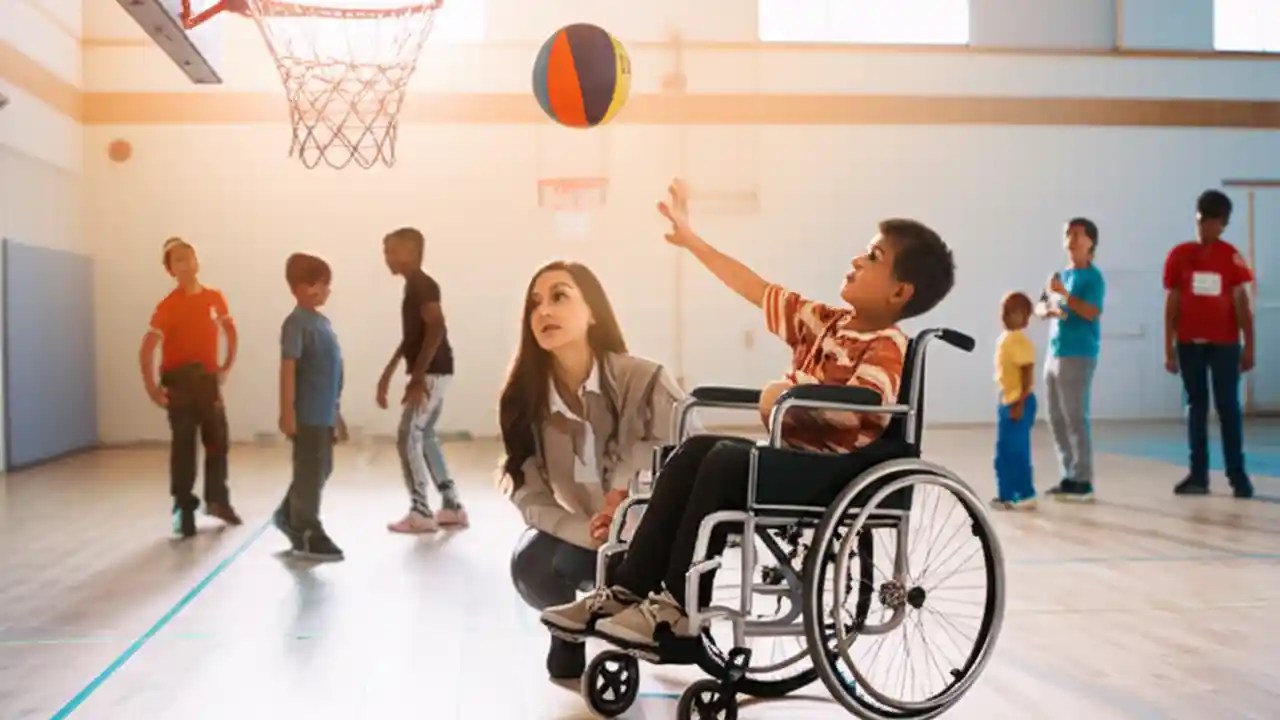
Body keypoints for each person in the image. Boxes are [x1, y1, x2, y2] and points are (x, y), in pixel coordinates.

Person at [540, 178, 955, 650]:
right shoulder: (824, 322)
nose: (858, 259)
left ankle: (676, 609)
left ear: (900, 292)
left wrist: (786, 397)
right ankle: (627, 589)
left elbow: (869, 414)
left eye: (874, 257)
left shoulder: (887, 344)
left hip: (831, 473)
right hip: (789, 459)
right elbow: (755, 288)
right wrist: (691, 239)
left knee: (727, 462)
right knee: (696, 449)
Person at [501, 260, 687, 680]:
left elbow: (689, 457)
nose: (543, 311)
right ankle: (568, 629)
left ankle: (627, 634)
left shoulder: (645, 379)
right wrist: (585, 531)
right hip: (587, 536)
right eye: (535, 304)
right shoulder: (522, 398)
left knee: (610, 559)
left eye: (559, 297)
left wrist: (622, 499)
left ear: (593, 313)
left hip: (650, 540)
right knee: (534, 562)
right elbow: (526, 493)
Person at [139, 237, 242, 538]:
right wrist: (152, 388)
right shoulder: (168, 306)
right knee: (184, 446)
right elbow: (147, 349)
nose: (185, 263)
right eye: (177, 260)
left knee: (217, 441)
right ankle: (183, 508)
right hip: (179, 385)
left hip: (207, 383)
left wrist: (225, 366)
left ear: (197, 261)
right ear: (170, 269)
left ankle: (217, 501)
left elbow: (230, 330)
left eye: (189, 256)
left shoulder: (214, 298)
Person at [1163, 190, 1255, 498]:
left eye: (1213, 223)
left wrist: (1249, 345)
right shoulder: (1179, 255)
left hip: (1225, 346)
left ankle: (1237, 476)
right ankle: (1198, 475)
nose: (1206, 229)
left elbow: (1242, 304)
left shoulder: (1231, 258)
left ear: (1224, 224)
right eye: (1201, 222)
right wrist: (1169, 347)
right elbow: (1172, 304)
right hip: (1190, 344)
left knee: (1228, 407)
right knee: (1196, 408)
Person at [378, 227, 468, 533]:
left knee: (408, 435)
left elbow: (436, 329)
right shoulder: (414, 286)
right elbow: (413, 336)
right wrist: (389, 372)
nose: (386, 256)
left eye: (391, 250)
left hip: (433, 372)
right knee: (424, 435)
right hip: (437, 370)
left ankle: (421, 510)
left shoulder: (422, 285)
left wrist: (417, 377)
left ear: (411, 251)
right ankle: (452, 506)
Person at [274, 253, 347, 560]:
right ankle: (306, 529)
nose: (328, 290)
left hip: (324, 413)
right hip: (306, 414)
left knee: (321, 468)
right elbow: (289, 367)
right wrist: (287, 411)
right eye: (323, 284)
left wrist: (337, 413)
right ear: (305, 288)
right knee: (309, 471)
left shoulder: (323, 323)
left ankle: (288, 514)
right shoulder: (296, 323)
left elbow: (332, 373)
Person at [1035, 218, 1105, 503]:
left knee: (1075, 416)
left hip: (1078, 352)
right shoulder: (1059, 275)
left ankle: (1083, 479)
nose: (1072, 238)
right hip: (1055, 351)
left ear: (1091, 242)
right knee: (1055, 416)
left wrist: (1065, 296)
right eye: (1068, 233)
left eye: (1078, 234)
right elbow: (1040, 305)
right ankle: (1069, 474)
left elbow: (1091, 312)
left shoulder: (1092, 278)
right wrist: (1047, 309)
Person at [992, 291, 1038, 510]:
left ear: (1024, 317)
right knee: (1004, 452)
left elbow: (1027, 372)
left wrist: (1020, 402)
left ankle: (1024, 493)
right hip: (1007, 402)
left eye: (1011, 312)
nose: (1005, 316)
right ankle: (1006, 495)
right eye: (1004, 311)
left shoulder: (1019, 341)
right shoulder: (1006, 339)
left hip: (1019, 403)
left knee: (1016, 451)